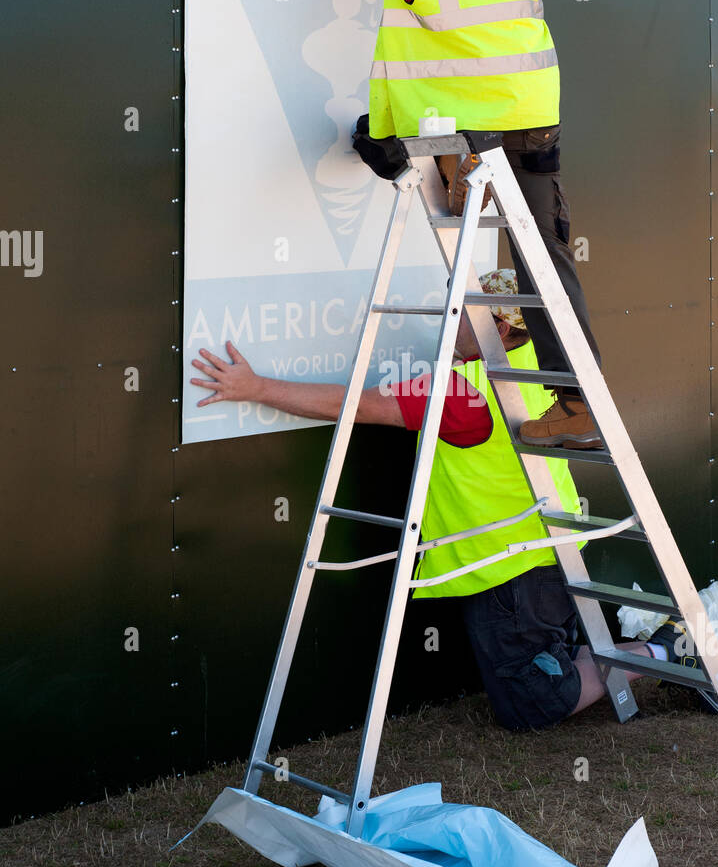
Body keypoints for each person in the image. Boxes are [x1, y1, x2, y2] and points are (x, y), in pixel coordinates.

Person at [195, 0, 604, 450]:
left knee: (376, 141)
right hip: (535, 121)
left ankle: (459, 176)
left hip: (468, 131)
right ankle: (576, 401)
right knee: (544, 257)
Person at [189, 269, 691, 733]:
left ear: (501, 328)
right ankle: (662, 647)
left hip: (510, 571)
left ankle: (663, 650)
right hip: (553, 555)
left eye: (467, 317)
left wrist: (255, 387)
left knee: (531, 702)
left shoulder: (464, 391)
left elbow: (355, 405)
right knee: (550, 663)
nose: (452, 323)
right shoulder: (544, 369)